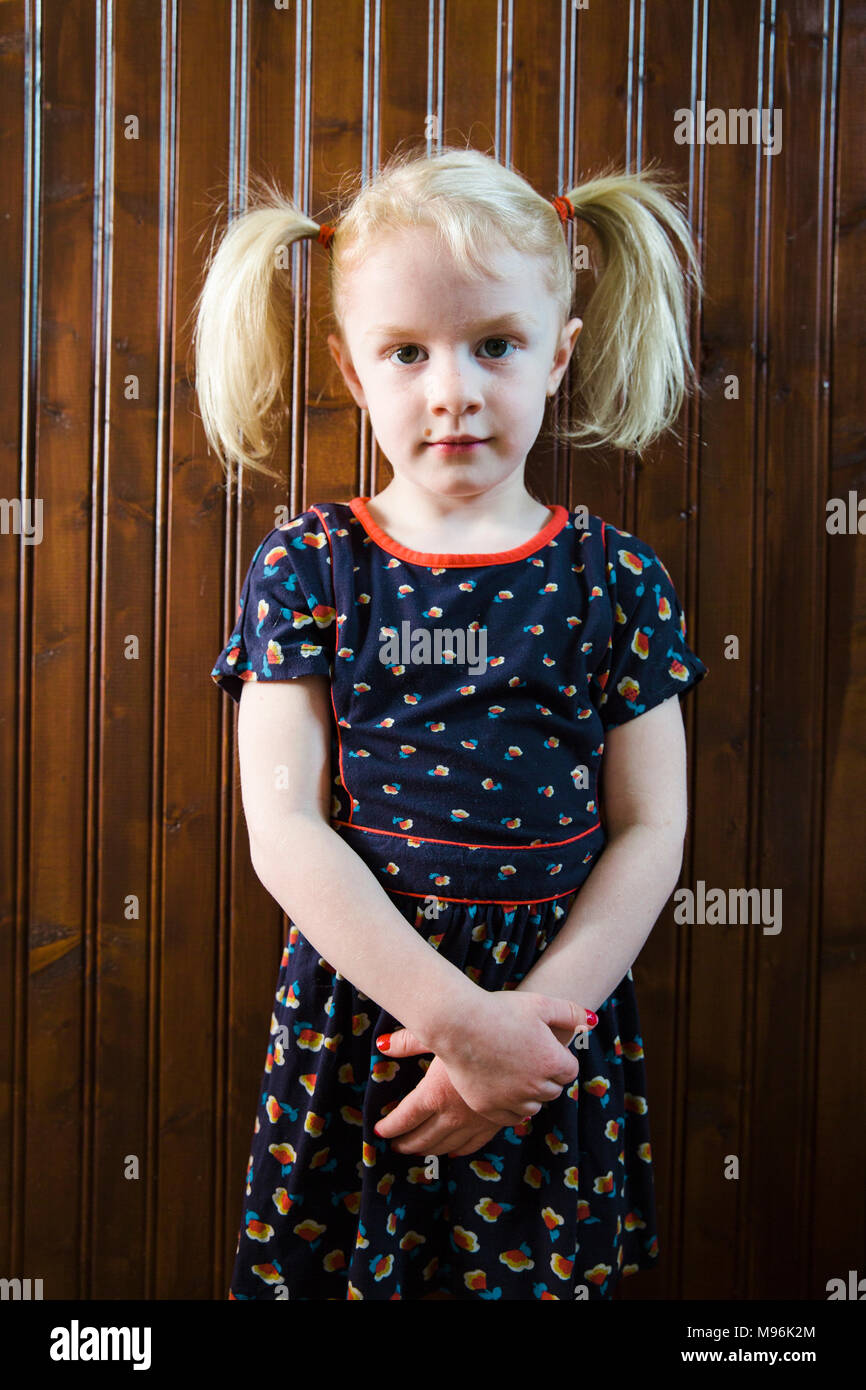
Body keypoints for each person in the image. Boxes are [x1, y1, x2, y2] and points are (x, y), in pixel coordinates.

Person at [195, 144, 709, 1301]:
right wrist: (454, 1022)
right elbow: (284, 831)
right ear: (349, 367)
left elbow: (650, 829)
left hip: (552, 1023)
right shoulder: (309, 567)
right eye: (406, 353)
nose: (452, 390)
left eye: (494, 345)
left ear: (557, 353)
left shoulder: (614, 577)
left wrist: (526, 1032)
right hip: (370, 1011)